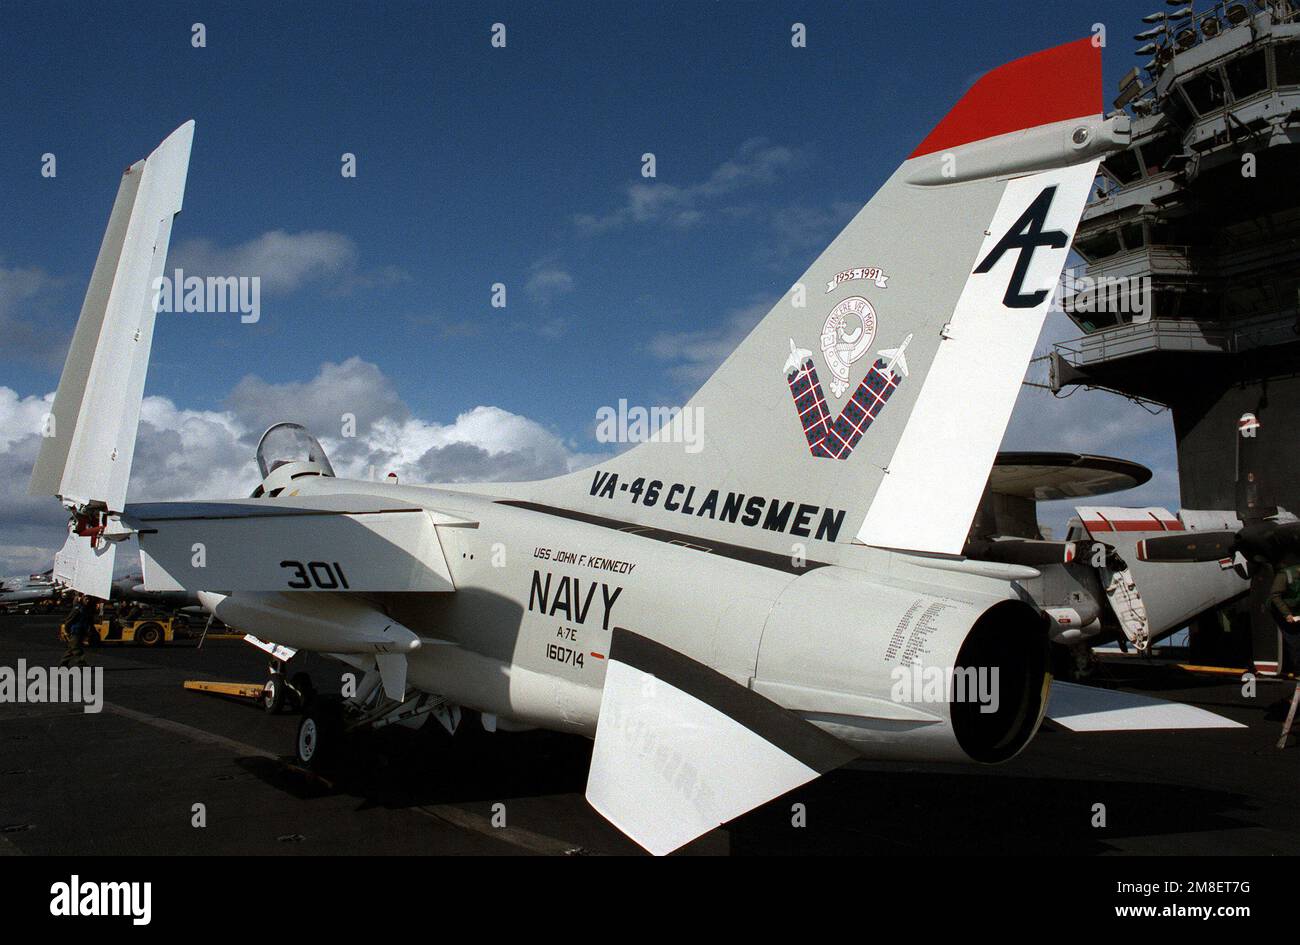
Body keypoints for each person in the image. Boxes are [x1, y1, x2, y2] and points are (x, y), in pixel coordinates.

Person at [60, 594, 97, 668]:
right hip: (75, 632)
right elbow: (69, 620)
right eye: (86, 599)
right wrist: (67, 631)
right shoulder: (78, 609)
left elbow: (89, 621)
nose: (87, 600)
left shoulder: (87, 609)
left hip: (82, 631)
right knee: (77, 649)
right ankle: (82, 664)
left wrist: (91, 630)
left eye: (89, 599)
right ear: (82, 599)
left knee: (72, 648)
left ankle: (63, 664)